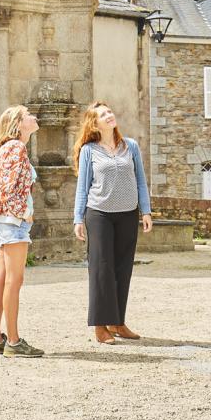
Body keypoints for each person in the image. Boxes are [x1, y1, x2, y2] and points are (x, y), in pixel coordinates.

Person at [72, 102, 153, 344]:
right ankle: (100, 325)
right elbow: (82, 186)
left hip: (128, 213)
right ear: (94, 123)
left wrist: (145, 211)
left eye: (109, 112)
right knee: (101, 270)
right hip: (99, 214)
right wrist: (78, 218)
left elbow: (140, 180)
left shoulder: (131, 147)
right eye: (103, 114)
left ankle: (117, 322)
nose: (109, 115)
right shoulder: (89, 151)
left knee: (122, 268)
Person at [0, 105, 44, 358]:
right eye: (29, 114)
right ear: (18, 124)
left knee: (2, 278)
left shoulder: (7, 149)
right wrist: (23, 213)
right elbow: (7, 190)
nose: (34, 117)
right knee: (14, 281)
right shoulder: (16, 148)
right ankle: (14, 342)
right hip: (12, 222)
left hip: (3, 219)